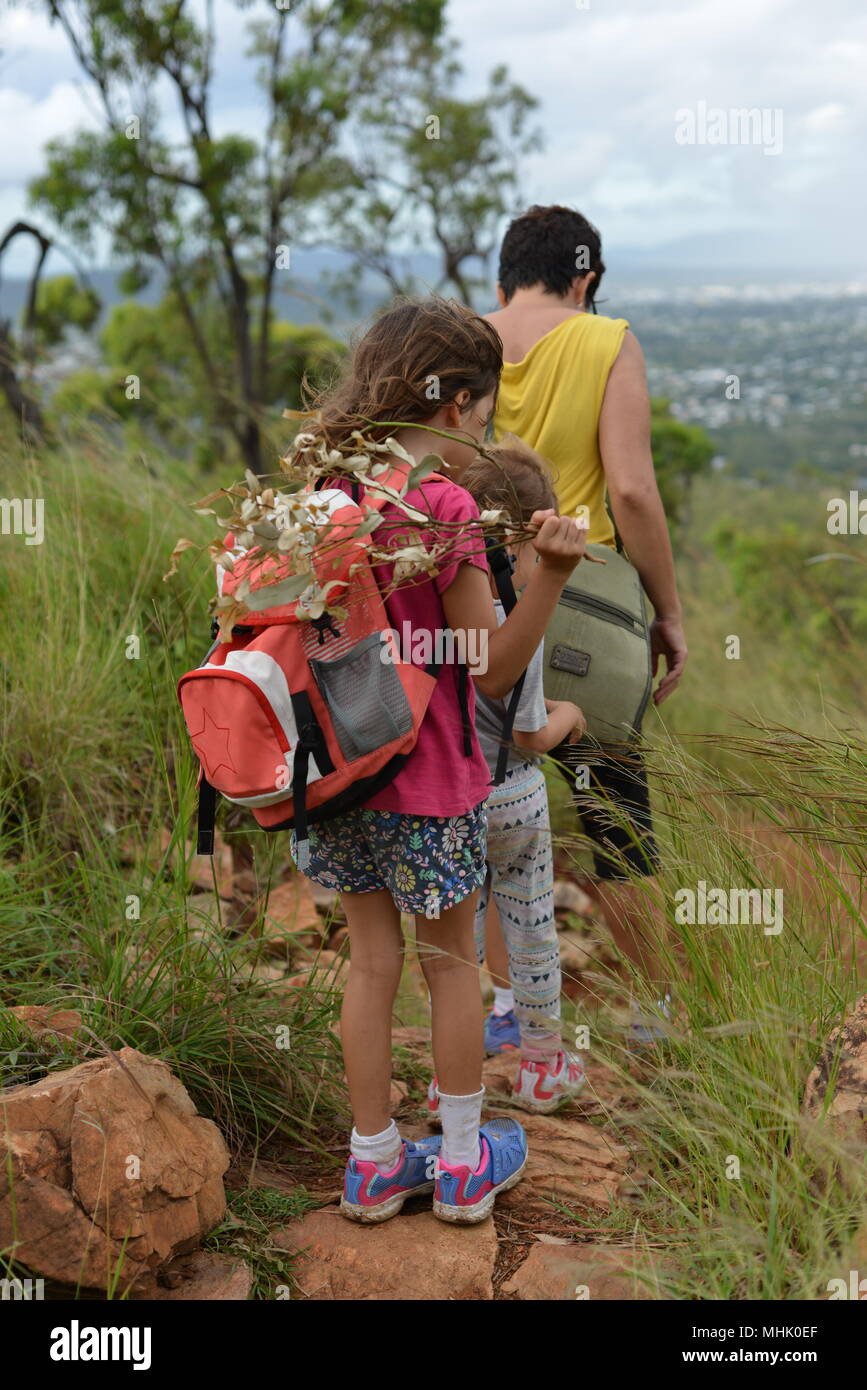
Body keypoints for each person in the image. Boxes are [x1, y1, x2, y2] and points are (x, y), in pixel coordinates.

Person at [287, 298, 588, 1223]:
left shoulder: (319, 496)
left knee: (372, 965)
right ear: (455, 405)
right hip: (427, 786)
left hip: (333, 781)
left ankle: (373, 1161)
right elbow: (492, 671)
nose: (483, 437)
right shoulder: (442, 505)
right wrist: (551, 575)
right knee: (452, 966)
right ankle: (462, 1164)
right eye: (486, 414)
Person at [483, 205, 688, 1031]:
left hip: (478, 596)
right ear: (585, 278)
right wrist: (667, 610)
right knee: (617, 819)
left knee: (482, 801)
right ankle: (652, 1013)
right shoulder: (607, 341)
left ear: (502, 279)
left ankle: (502, 1008)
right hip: (583, 606)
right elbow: (632, 490)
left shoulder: (463, 338)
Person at [426, 438, 588, 1114]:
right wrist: (570, 718)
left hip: (445, 798)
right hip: (513, 798)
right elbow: (527, 732)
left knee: (453, 948)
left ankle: (449, 1079)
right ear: (523, 538)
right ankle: (543, 1065)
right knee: (530, 929)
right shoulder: (519, 620)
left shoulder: (438, 610)